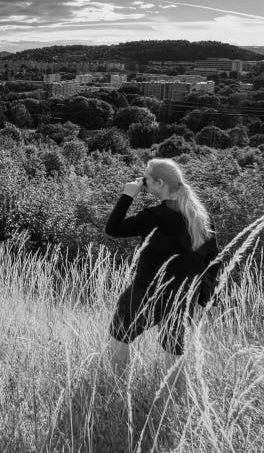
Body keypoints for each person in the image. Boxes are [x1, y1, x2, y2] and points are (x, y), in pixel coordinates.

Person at [104, 158, 220, 394]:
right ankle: (175, 395)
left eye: (146, 178)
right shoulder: (199, 216)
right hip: (182, 295)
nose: (144, 182)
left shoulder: (154, 215)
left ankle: (115, 389)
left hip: (147, 291)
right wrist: (203, 299)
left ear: (159, 183)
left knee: (120, 333)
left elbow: (113, 229)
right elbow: (213, 262)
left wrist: (128, 195)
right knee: (173, 345)